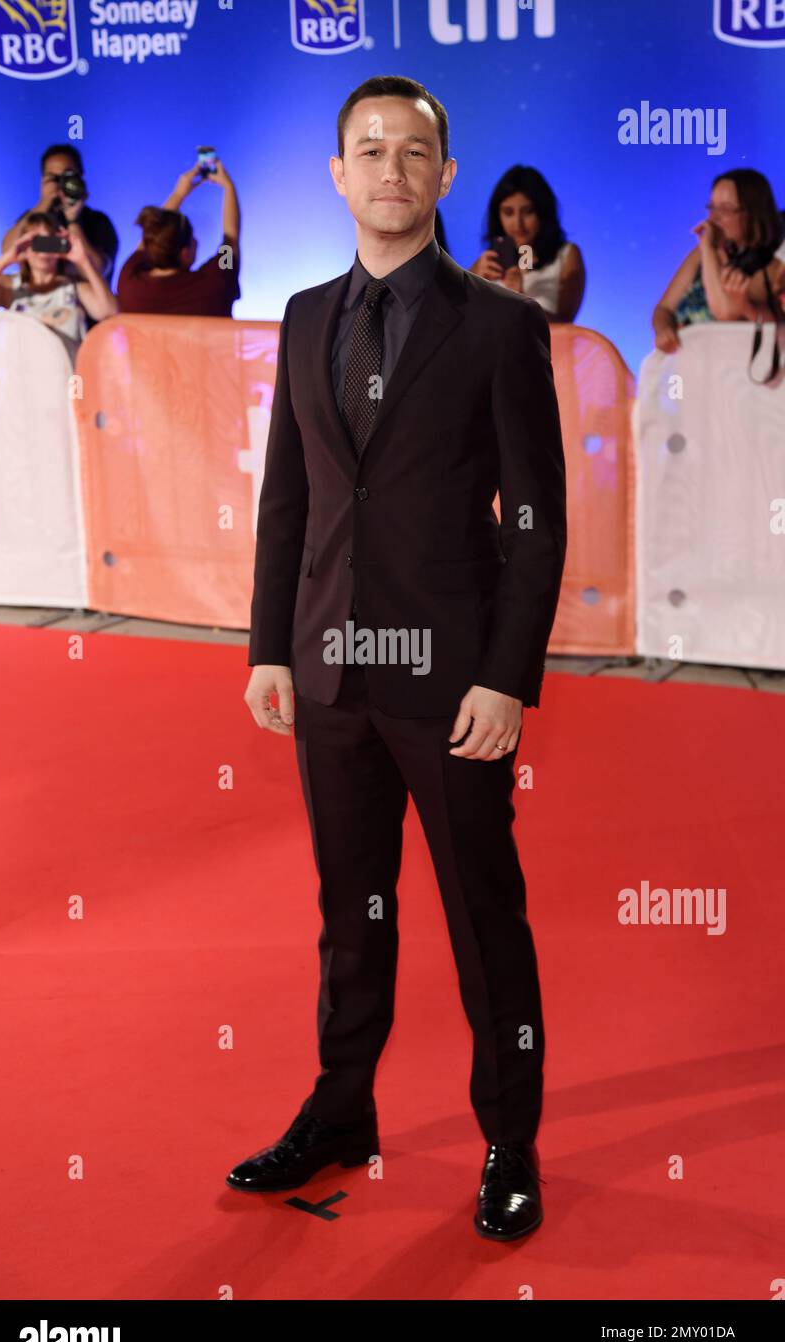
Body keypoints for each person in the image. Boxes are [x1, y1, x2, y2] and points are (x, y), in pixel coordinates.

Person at [227, 75, 567, 1243]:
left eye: (413, 150)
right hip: (328, 673)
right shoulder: (308, 314)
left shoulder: (502, 327)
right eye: (367, 149)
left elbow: (535, 517)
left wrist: (505, 674)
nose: (390, 168)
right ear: (336, 174)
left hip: (451, 677)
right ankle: (341, 1109)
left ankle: (510, 1140)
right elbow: (290, 500)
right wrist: (271, 644)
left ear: (445, 173)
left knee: (485, 916)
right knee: (350, 912)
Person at [651, 169, 784, 353]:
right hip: (686, 361)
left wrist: (709, 250)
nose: (713, 218)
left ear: (752, 214)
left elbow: (725, 311)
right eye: (712, 207)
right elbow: (664, 308)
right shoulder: (701, 253)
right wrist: (664, 330)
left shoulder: (771, 264)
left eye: (726, 209)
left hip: (731, 368)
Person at [0, 211, 118, 364]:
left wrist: (83, 261)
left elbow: (108, 311)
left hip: (67, 377)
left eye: (50, 242)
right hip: (24, 378)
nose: (43, 252)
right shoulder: (11, 288)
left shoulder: (73, 287)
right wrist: (7, 258)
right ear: (24, 244)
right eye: (37, 242)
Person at [116, 159, 240, 316]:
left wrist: (179, 193)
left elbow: (148, 240)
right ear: (185, 253)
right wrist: (228, 187)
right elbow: (231, 240)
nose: (197, 241)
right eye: (193, 238)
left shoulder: (129, 283)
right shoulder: (216, 283)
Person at [470, 164, 585, 321]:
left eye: (528, 211)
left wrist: (521, 300)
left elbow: (566, 326)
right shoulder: (489, 260)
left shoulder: (566, 255)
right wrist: (471, 281)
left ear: (542, 211)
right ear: (497, 215)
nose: (518, 224)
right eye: (508, 212)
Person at [2, 144, 119, 288]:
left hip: (83, 305)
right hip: (37, 303)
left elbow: (98, 271)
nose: (60, 184)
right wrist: (43, 203)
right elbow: (8, 253)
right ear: (43, 181)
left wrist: (73, 221)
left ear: (80, 178)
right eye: (53, 178)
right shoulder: (33, 218)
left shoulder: (98, 221)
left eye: (67, 177)